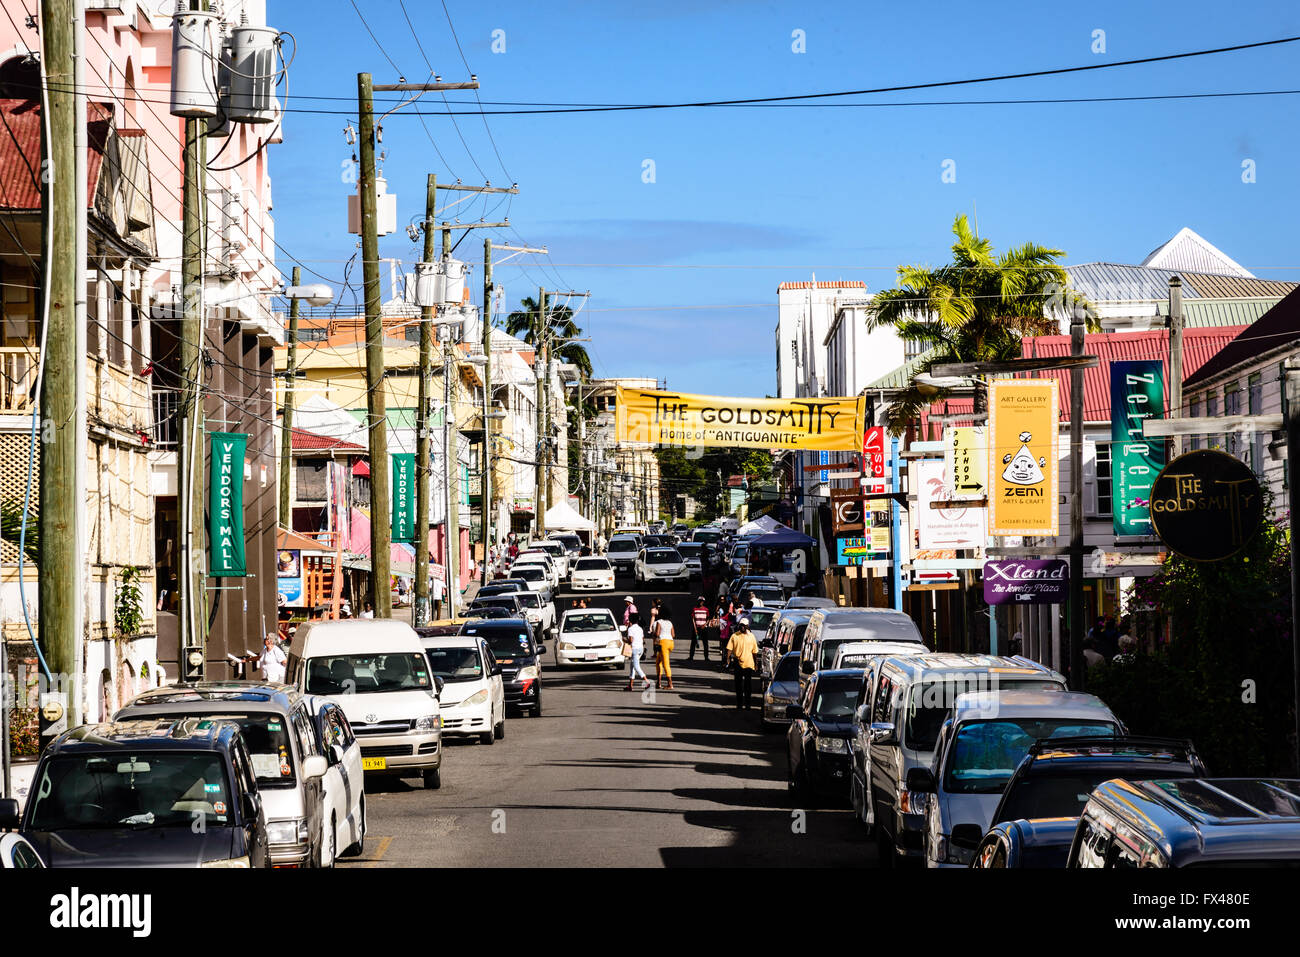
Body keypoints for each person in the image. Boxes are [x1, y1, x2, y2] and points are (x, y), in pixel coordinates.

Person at [725, 619, 759, 710]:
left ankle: (748, 704)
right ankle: (739, 704)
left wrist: (756, 664)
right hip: (737, 663)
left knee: (748, 685)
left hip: (748, 663)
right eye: (741, 625)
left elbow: (755, 652)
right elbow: (729, 649)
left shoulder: (751, 636)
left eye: (744, 625)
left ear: (748, 626)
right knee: (738, 685)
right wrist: (727, 659)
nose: (742, 627)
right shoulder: (734, 636)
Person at [624, 614, 651, 691]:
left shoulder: (630, 629)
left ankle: (647, 681)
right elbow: (642, 639)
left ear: (630, 620)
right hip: (640, 649)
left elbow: (630, 640)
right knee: (632, 666)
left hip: (635, 649)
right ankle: (630, 686)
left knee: (636, 666)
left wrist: (624, 639)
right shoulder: (640, 628)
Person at [652, 611, 675, 690]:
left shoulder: (659, 622)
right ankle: (658, 682)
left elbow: (657, 634)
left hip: (663, 643)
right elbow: (673, 635)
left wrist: (653, 633)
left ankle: (670, 684)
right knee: (658, 662)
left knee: (666, 664)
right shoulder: (670, 623)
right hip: (671, 643)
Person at [688, 597, 711, 662]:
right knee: (693, 643)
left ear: (703, 602)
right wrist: (695, 628)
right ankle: (691, 656)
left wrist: (705, 625)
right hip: (696, 628)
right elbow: (693, 619)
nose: (701, 602)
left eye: (702, 601)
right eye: (700, 601)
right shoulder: (694, 609)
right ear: (698, 601)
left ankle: (706, 657)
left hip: (704, 628)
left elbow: (708, 619)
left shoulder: (706, 609)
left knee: (705, 643)